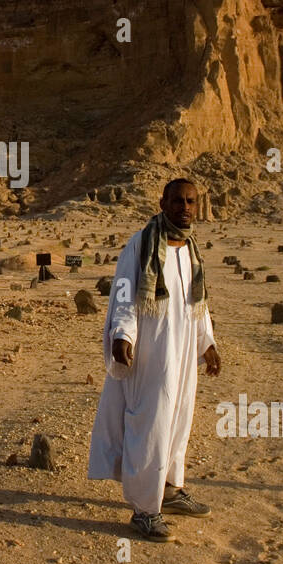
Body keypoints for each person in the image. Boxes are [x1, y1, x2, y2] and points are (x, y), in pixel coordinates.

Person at [86, 178, 221, 541]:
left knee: (179, 420)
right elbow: (126, 293)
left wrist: (206, 343)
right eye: (178, 200)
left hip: (182, 356)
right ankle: (145, 510)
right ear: (163, 202)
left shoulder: (191, 249)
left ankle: (171, 490)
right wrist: (122, 335)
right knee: (152, 424)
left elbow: (198, 303)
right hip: (150, 353)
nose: (185, 207)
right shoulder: (141, 244)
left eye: (191, 201)